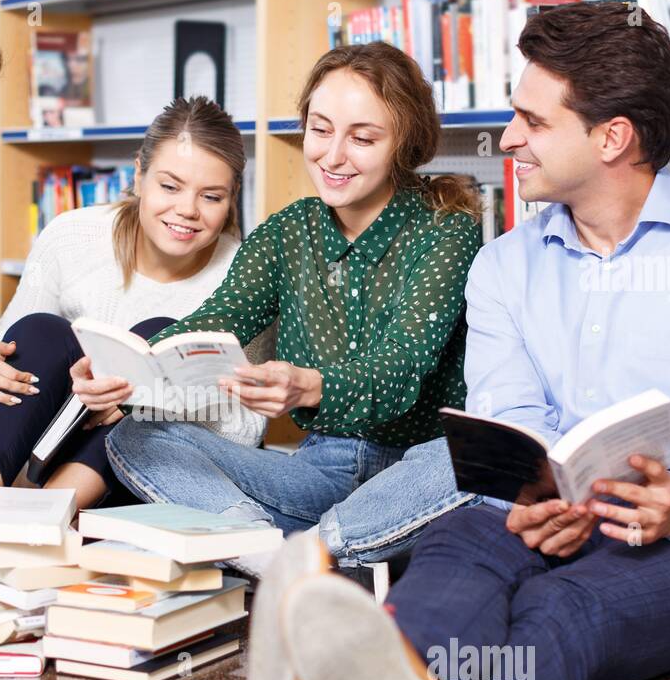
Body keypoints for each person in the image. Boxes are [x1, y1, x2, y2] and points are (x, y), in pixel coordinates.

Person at [230, 1, 670, 680]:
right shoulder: (504, 265)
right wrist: (546, 492)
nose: (507, 138)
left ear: (610, 139)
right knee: (451, 564)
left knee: (561, 610)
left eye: (532, 120)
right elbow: (509, 413)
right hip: (538, 509)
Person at [82, 42, 485, 578]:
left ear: (402, 143)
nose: (333, 156)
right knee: (136, 435)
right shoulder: (288, 231)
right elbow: (220, 317)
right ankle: (265, 550)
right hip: (319, 469)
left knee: (474, 457)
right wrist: (130, 369)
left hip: (414, 468)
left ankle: (304, 551)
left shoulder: (446, 229)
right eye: (319, 130)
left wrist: (309, 386)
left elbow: (402, 366)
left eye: (362, 138)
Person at [0, 97, 274, 600]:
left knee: (159, 334)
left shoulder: (246, 276)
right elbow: (12, 340)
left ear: (233, 199)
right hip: (51, 443)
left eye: (211, 196)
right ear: (139, 175)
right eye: (169, 186)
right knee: (39, 331)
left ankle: (34, 531)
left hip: (146, 474)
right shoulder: (74, 235)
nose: (186, 210)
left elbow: (247, 429)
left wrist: (143, 393)